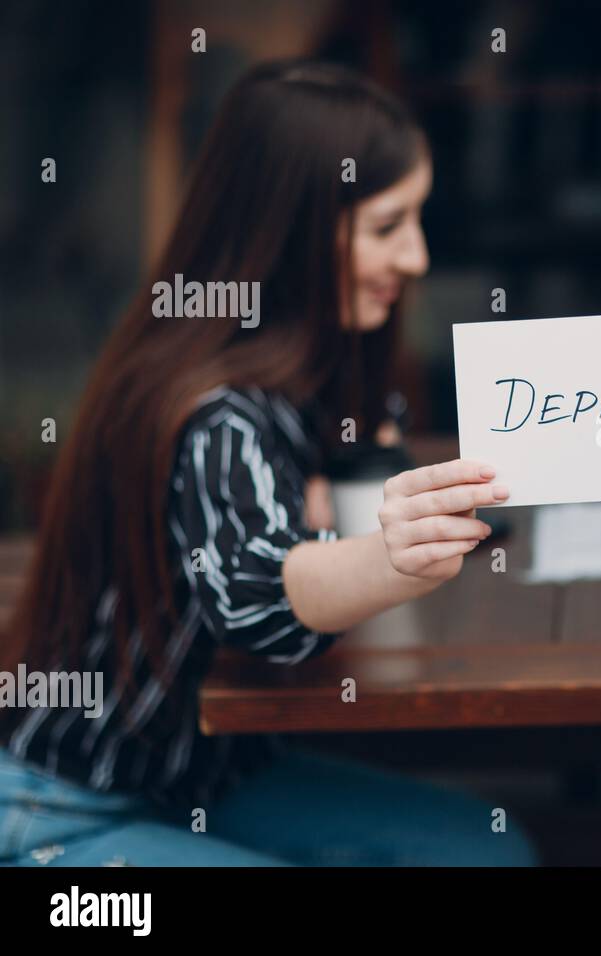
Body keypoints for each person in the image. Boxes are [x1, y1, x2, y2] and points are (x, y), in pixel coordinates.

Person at [0, 61, 535, 866]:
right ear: (290, 230)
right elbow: (257, 589)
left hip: (205, 776)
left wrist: (335, 502)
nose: (418, 257)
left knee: (484, 853)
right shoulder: (213, 407)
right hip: (63, 812)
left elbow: (275, 508)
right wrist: (391, 557)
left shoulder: (304, 372)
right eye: (389, 227)